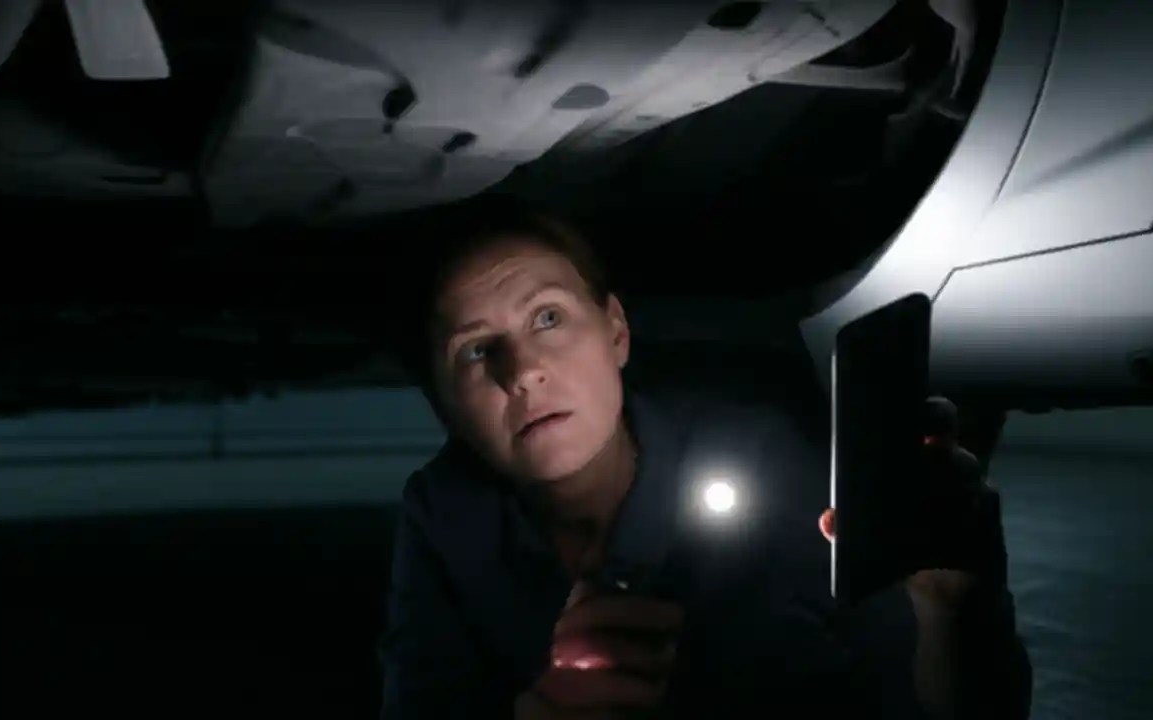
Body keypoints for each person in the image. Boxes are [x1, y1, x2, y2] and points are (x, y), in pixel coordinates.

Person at [376, 197, 1031, 719]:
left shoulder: (775, 461)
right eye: (476, 350)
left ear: (616, 333)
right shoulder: (446, 512)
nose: (522, 372)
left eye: (548, 318)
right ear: (443, 403)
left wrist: (948, 612)